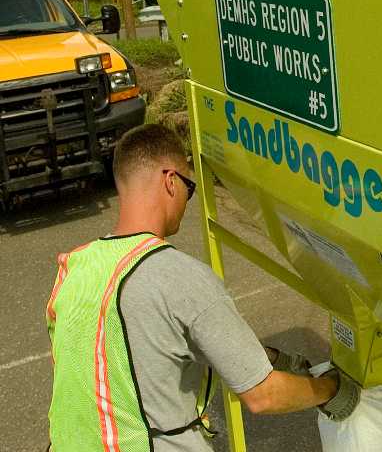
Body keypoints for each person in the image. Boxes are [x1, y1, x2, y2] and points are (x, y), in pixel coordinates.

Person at [45, 124, 359, 451]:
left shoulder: (75, 268)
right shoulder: (179, 275)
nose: (187, 199)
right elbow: (263, 396)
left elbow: (145, 341)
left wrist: (271, 358)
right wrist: (330, 391)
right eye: (189, 187)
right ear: (170, 181)